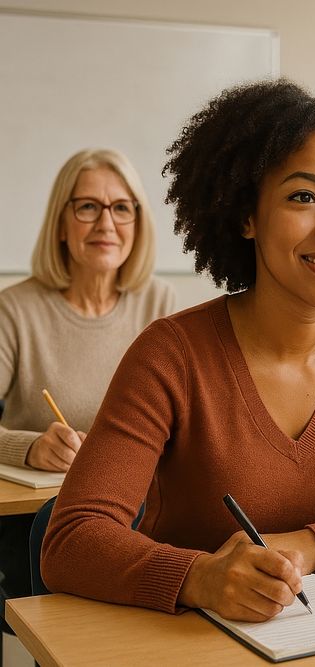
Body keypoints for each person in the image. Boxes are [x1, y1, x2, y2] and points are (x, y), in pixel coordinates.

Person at [41, 80, 315, 622]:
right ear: (246, 216)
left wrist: (310, 545)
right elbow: (71, 541)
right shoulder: (171, 354)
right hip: (188, 644)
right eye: (303, 196)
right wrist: (200, 578)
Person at [0, 148, 175, 627]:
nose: (106, 223)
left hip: (138, 510)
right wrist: (29, 447)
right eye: (87, 207)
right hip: (36, 520)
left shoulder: (160, 303)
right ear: (61, 222)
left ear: (138, 223)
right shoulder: (14, 310)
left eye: (122, 208)